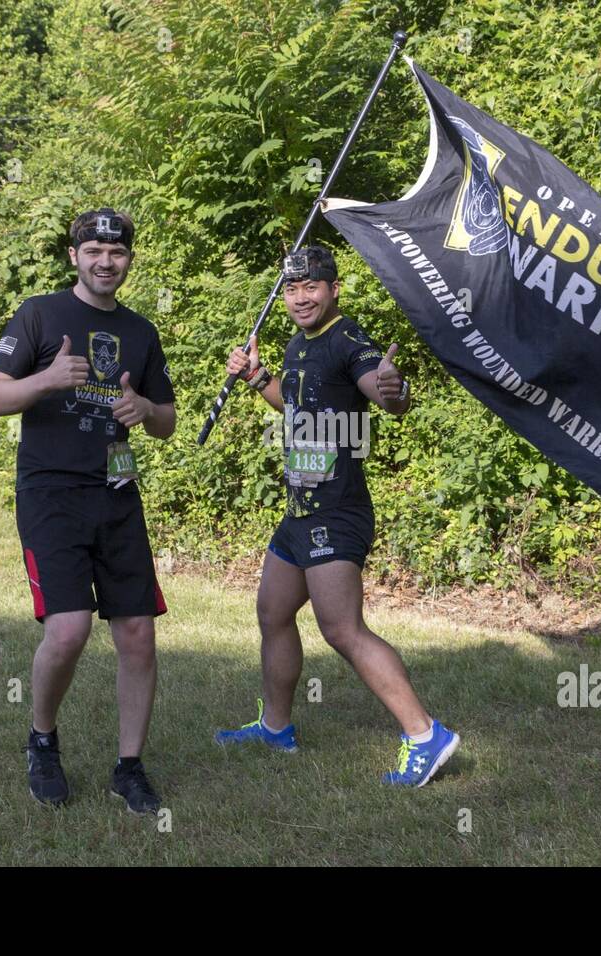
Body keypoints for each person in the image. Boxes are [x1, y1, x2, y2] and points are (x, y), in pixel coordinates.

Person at [214, 245, 459, 786]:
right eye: (291, 288)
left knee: (342, 629)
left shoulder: (349, 340)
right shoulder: (300, 343)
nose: (301, 297)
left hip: (336, 511)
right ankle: (276, 728)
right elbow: (296, 409)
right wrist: (258, 378)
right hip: (299, 511)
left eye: (312, 287)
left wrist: (394, 392)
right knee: (273, 613)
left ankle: (425, 735)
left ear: (334, 289)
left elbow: (383, 389)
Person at [0, 208, 176, 813]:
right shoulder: (39, 314)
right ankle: (42, 740)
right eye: (93, 250)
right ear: (74, 256)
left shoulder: (142, 332)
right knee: (67, 630)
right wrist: (45, 380)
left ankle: (129, 766)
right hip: (50, 493)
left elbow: (167, 423)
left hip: (117, 492)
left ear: (128, 260)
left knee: (138, 634)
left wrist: (144, 409)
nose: (105, 261)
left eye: (116, 253)